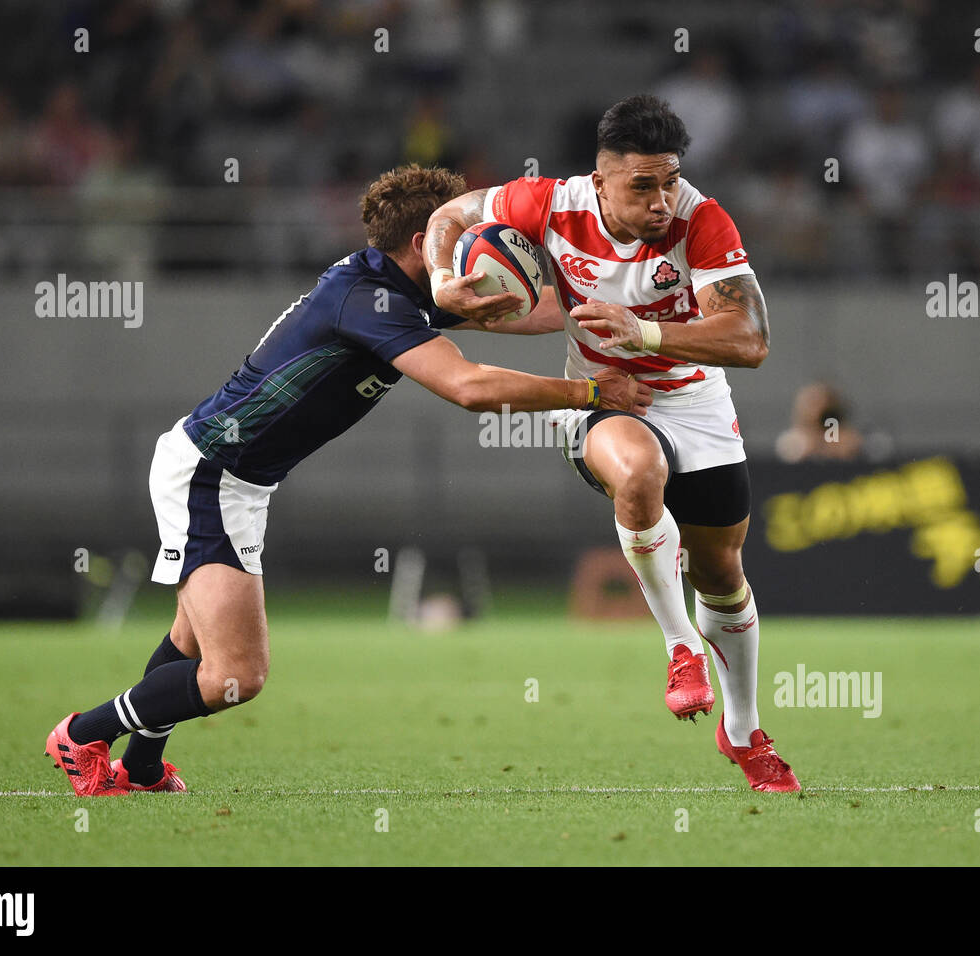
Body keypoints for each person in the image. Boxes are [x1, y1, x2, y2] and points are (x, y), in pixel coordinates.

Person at [44, 164, 650, 796]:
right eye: (461, 226)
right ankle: (84, 733)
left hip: (239, 479)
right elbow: (469, 388)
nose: (474, 235)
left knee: (191, 640)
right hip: (210, 474)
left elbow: (530, 310)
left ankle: (139, 769)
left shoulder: (402, 290)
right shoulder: (370, 300)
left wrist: (635, 308)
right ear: (426, 241)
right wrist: (588, 390)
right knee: (238, 673)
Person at [424, 95, 800, 792]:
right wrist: (446, 280)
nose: (662, 200)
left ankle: (744, 731)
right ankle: (680, 644)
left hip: (696, 403)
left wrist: (647, 332)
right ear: (600, 181)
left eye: (669, 181)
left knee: (722, 575)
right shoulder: (547, 203)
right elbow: (449, 216)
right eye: (643, 186)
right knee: (638, 473)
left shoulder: (701, 220)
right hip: (604, 398)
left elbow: (750, 340)